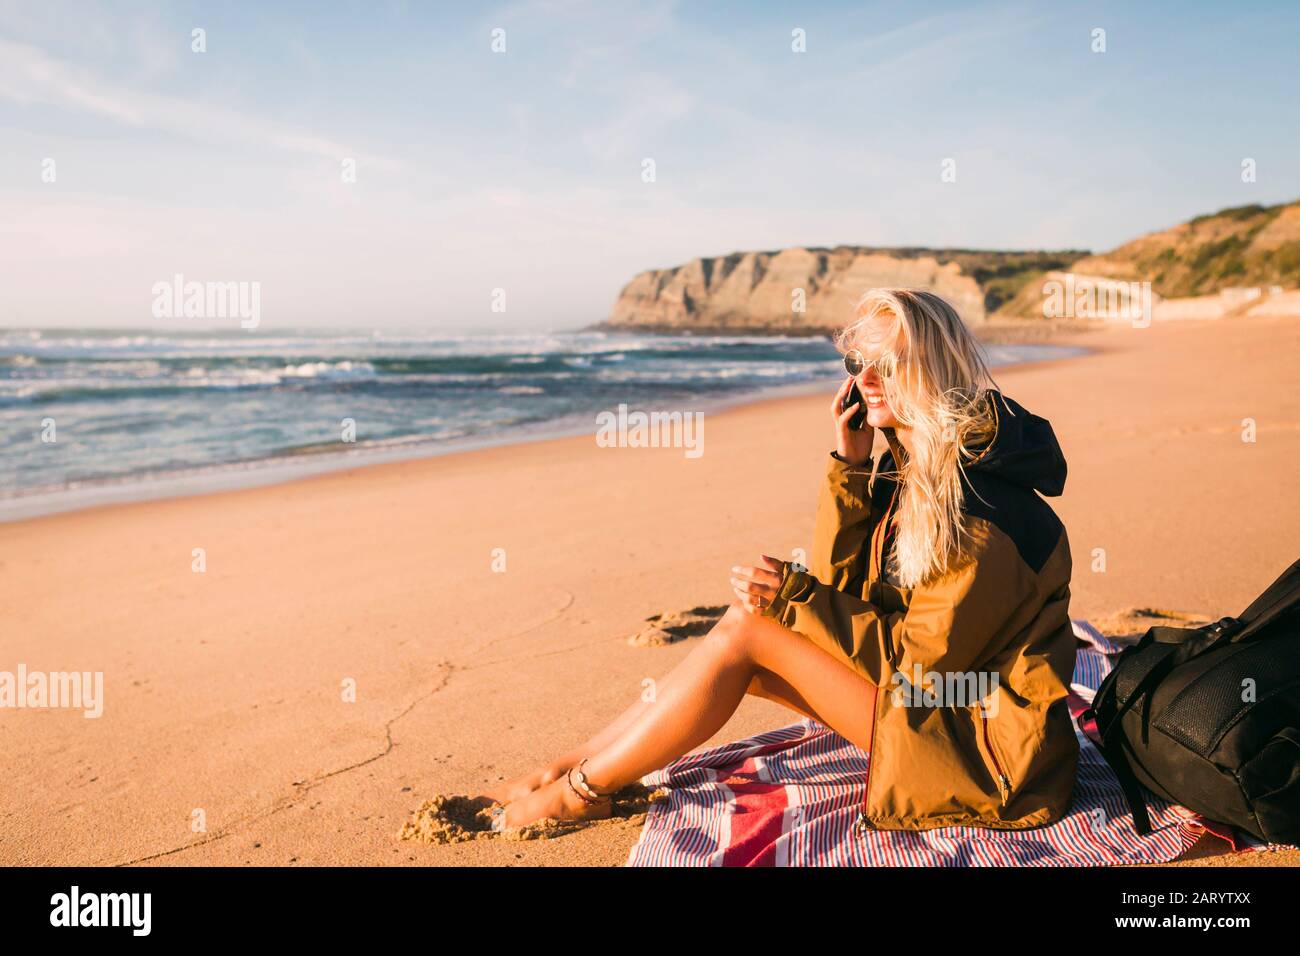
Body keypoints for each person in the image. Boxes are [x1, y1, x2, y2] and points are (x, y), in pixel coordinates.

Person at [484, 288, 1079, 832]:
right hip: (935, 712)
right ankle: (580, 764)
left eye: (887, 364)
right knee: (750, 630)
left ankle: (583, 790)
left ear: (935, 370)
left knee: (751, 629)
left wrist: (796, 600)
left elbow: (913, 669)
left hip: (990, 753)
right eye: (856, 365)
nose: (867, 379)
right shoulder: (917, 474)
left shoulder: (979, 510)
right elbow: (849, 595)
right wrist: (849, 470)